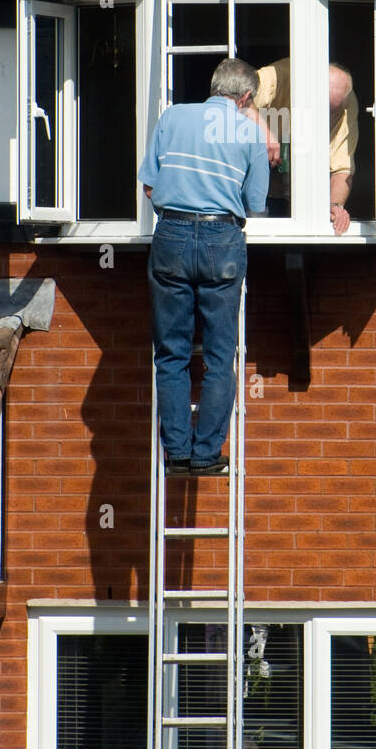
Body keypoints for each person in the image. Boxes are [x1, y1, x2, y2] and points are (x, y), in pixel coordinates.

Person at [138, 58, 269, 476]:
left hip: (171, 234)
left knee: (171, 354)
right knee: (219, 355)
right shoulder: (250, 132)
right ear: (245, 97)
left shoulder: (172, 117)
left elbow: (149, 185)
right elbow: (256, 203)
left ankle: (177, 453)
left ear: (214, 86)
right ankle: (206, 454)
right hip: (222, 239)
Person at [251, 58, 359, 234]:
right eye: (321, 107)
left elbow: (342, 168)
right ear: (308, 91)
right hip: (256, 178)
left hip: (300, 192)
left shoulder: (347, 102)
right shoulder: (277, 77)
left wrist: (333, 206)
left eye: (332, 110)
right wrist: (266, 134)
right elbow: (235, 99)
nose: (324, 116)